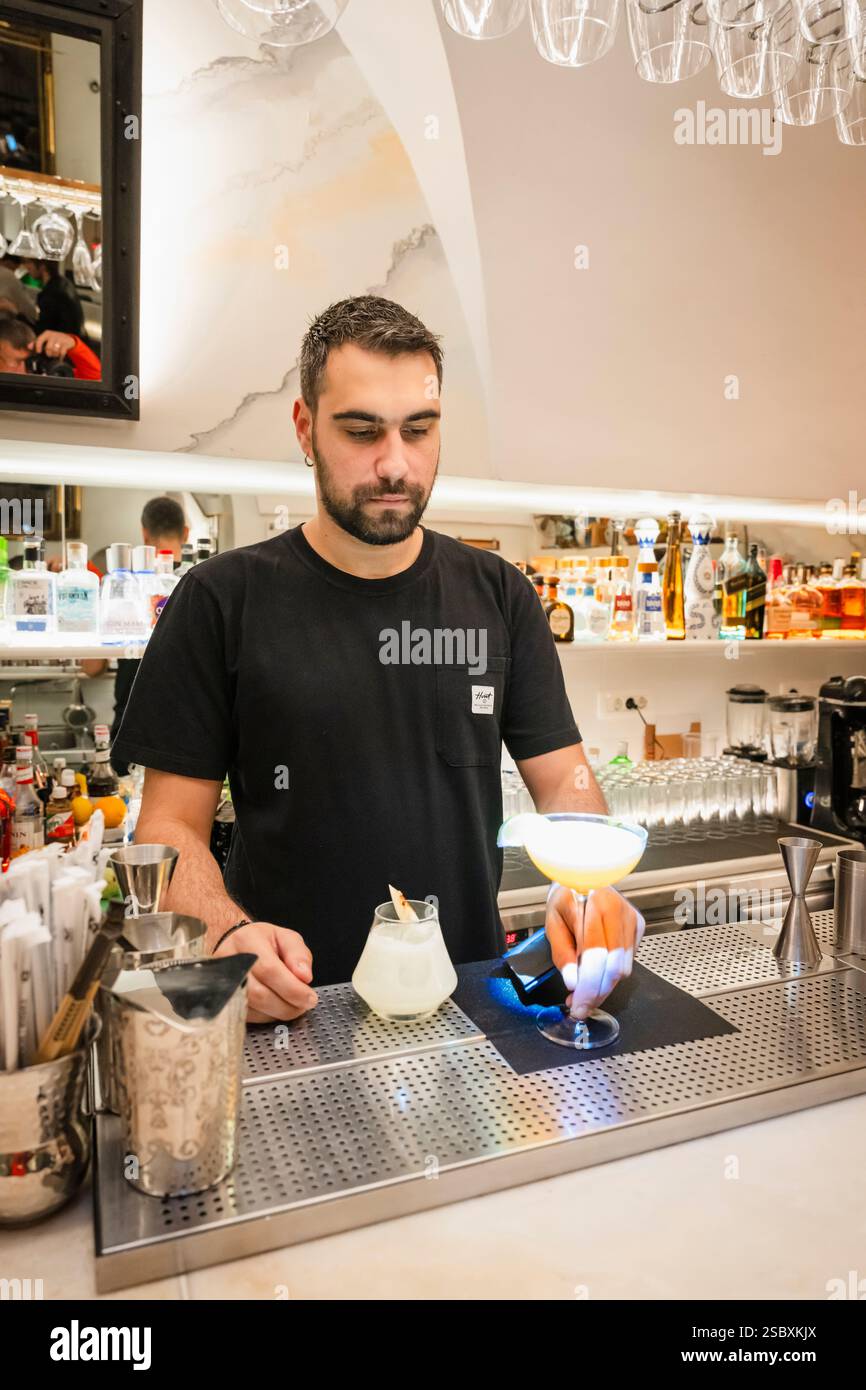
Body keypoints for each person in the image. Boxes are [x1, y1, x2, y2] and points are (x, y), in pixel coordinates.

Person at [112, 296, 643, 1023]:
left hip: (471, 1012)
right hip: (292, 1013)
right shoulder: (219, 601)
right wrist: (226, 932)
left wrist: (589, 889)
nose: (395, 464)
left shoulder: (499, 596)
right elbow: (168, 827)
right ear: (305, 429)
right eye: (361, 431)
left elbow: (565, 783)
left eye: (418, 431)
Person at [81, 497, 189, 775]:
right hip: (188, 728)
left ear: (144, 533)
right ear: (186, 533)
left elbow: (91, 667)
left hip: (131, 728)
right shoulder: (203, 580)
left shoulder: (124, 587)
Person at [0, 315, 101, 379]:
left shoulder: (39, 374)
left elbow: (96, 381)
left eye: (27, 362)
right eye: (15, 363)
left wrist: (74, 346)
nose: (22, 372)